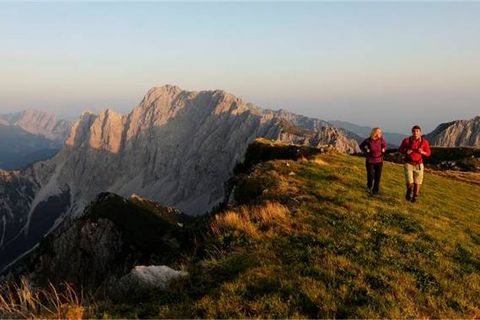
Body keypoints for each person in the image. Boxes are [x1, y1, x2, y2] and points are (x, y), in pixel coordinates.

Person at [398, 125, 431, 203]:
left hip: (419, 164)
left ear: (420, 132)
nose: (415, 133)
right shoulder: (406, 140)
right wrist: (406, 151)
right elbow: (400, 149)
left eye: (417, 131)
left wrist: (422, 152)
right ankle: (409, 192)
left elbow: (428, 153)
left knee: (417, 182)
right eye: (414, 131)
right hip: (408, 163)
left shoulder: (424, 142)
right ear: (412, 132)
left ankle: (415, 196)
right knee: (409, 182)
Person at [359, 128, 387, 195]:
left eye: (380, 132)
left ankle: (375, 190)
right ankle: (369, 186)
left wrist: (383, 149)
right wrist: (366, 151)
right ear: (374, 132)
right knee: (371, 175)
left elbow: (385, 145)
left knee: (377, 176)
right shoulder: (368, 140)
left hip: (379, 161)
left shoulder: (381, 140)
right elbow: (361, 146)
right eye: (379, 132)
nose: (380, 133)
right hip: (370, 161)